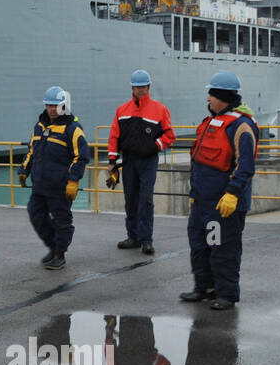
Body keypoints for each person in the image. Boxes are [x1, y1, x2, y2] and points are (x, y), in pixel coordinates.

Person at [181, 71, 259, 311]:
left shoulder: (241, 126)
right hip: (202, 202)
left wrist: (233, 194)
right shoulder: (211, 123)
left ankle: (226, 293)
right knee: (199, 246)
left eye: (211, 95)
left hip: (223, 204)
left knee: (223, 249)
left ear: (222, 96)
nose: (208, 99)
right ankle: (203, 287)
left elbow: (245, 165)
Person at [18, 86, 89, 270]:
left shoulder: (72, 128)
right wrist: (24, 170)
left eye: (56, 105)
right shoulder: (39, 126)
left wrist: (73, 181)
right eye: (49, 105)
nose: (52, 109)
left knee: (62, 220)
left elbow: (80, 157)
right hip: (40, 184)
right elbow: (32, 151)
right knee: (35, 214)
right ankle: (54, 246)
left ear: (63, 105)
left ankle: (60, 254)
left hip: (60, 186)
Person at [106, 69, 175, 255]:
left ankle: (146, 240)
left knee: (145, 200)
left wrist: (154, 146)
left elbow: (170, 135)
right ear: (132, 88)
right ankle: (133, 237)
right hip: (129, 161)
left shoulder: (159, 109)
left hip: (148, 161)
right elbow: (114, 137)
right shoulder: (122, 110)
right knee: (130, 200)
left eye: (143, 86)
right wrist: (112, 161)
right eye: (137, 87)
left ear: (149, 87)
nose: (140, 90)